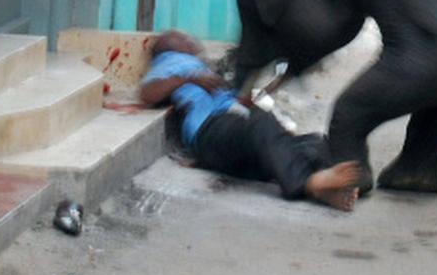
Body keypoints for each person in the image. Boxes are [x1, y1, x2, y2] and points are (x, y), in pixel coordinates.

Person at [138, 30, 362, 211]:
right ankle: (307, 183)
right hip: (210, 129)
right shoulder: (173, 62)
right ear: (171, 47)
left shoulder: (200, 67)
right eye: (184, 38)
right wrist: (190, 78)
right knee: (260, 122)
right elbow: (148, 94)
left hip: (236, 142)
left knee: (314, 142)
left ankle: (323, 188)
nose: (191, 40)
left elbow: (242, 111)